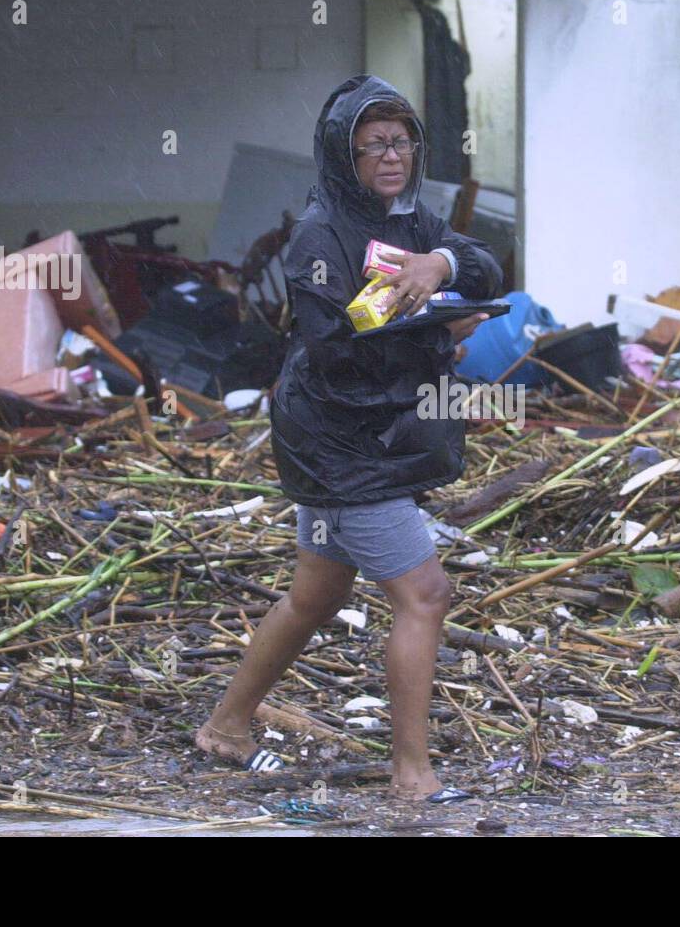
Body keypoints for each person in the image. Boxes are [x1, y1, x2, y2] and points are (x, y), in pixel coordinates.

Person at [195, 75, 504, 803]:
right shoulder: (320, 234)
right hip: (336, 438)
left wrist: (441, 268)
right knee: (425, 594)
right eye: (372, 147)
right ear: (343, 154)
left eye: (401, 142)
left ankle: (227, 726)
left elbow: (485, 265)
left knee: (316, 594)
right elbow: (335, 350)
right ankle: (412, 774)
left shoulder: (413, 218)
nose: (390, 157)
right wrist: (434, 325)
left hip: (368, 431)